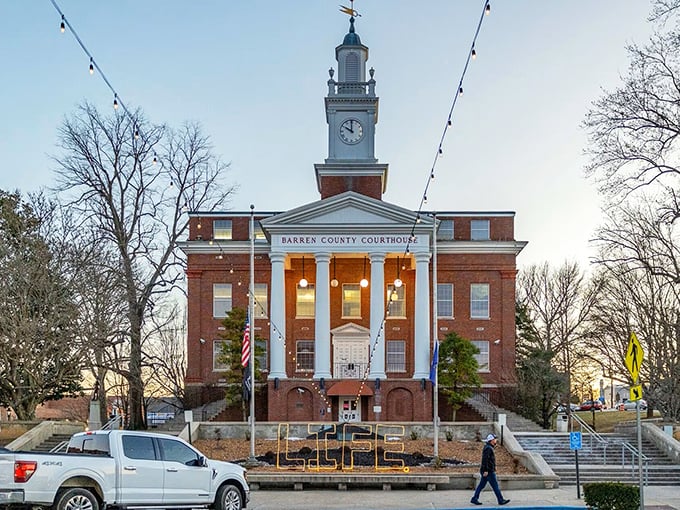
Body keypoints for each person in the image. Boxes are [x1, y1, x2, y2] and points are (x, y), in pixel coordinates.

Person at [470, 433, 510, 506]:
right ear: (491, 440)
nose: (496, 440)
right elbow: (485, 460)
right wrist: (486, 470)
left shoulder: (488, 447)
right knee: (495, 486)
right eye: (495, 439)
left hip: (487, 470)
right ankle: (500, 500)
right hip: (489, 471)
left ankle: (474, 498)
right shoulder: (488, 448)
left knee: (481, 485)